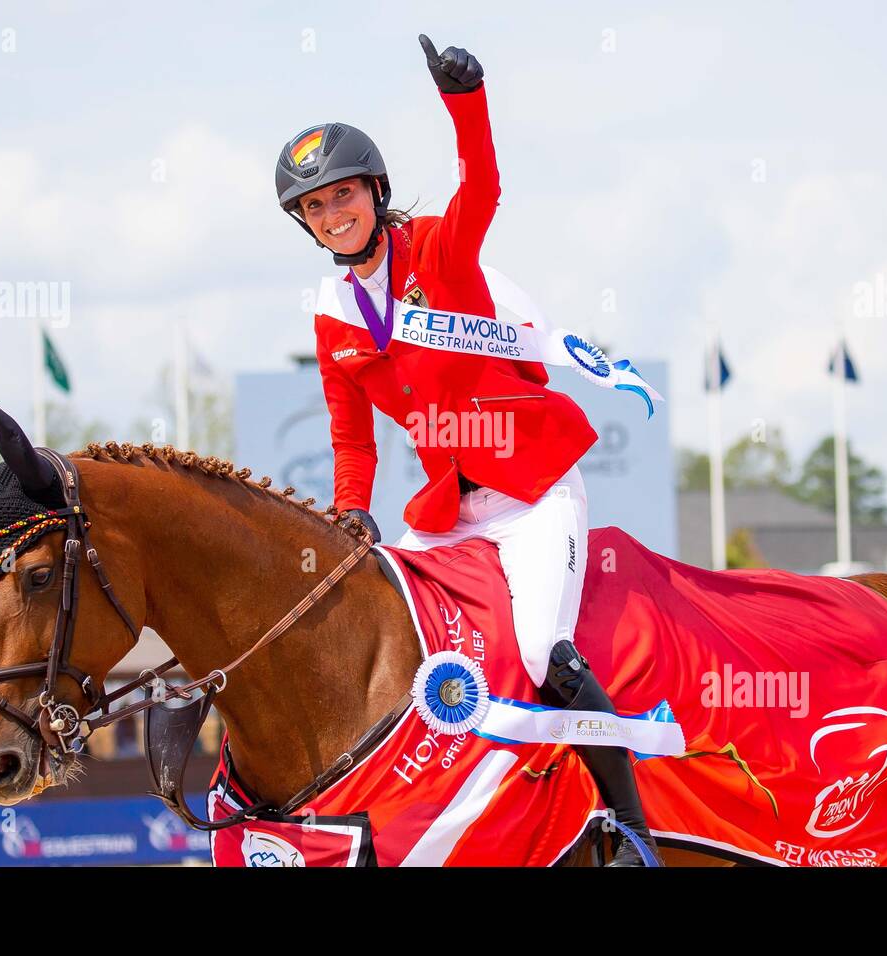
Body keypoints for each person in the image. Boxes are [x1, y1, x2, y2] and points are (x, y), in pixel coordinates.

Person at [275, 35, 659, 865]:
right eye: (316, 207)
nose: (334, 214)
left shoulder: (440, 253)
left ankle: (633, 827)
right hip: (449, 511)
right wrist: (350, 512)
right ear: (306, 224)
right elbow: (352, 435)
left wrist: (468, 99)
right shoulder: (333, 316)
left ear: (375, 192)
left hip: (534, 493)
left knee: (533, 650)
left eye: (343, 195)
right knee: (392, 642)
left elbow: (480, 186)